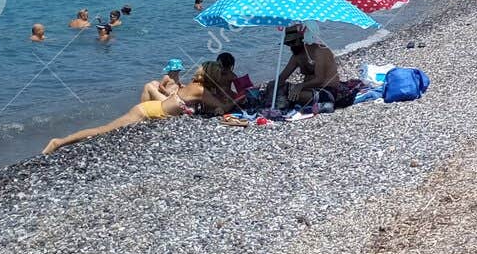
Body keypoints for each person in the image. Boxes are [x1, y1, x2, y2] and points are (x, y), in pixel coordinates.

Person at [42, 61, 241, 155]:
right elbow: (222, 107)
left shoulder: (196, 86)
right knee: (101, 131)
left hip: (154, 108)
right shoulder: (200, 90)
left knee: (104, 133)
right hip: (147, 111)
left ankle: (62, 144)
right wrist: (240, 96)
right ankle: (58, 142)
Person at [276, 23, 342, 108]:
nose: (291, 46)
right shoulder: (297, 56)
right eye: (289, 43)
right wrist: (275, 86)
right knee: (275, 87)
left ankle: (323, 104)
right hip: (307, 88)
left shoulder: (320, 51)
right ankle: (278, 102)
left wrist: (300, 85)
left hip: (326, 89)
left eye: (294, 42)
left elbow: (320, 79)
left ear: (302, 39)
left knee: (299, 96)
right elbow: (282, 77)